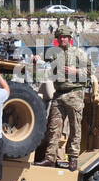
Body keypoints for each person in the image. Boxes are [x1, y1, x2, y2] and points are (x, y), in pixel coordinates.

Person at [38, 26, 93, 170]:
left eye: (65, 37)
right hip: (59, 93)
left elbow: (90, 71)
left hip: (74, 93)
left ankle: (73, 159)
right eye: (60, 37)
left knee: (75, 127)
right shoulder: (54, 54)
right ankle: (50, 158)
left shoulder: (79, 54)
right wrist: (36, 61)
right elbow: (45, 65)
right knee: (53, 127)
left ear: (70, 39)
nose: (63, 39)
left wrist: (76, 71)